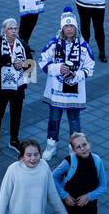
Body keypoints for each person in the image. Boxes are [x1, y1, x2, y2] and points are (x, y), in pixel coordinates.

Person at [40, 8, 96, 160]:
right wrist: (58, 68)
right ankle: (51, 146)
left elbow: (90, 67)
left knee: (74, 120)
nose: (69, 29)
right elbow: (42, 61)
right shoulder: (53, 43)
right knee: (54, 119)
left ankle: (75, 149)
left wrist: (76, 74)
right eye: (67, 26)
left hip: (74, 90)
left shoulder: (84, 46)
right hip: (56, 90)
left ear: (76, 28)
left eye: (72, 26)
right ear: (62, 28)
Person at [0, 17, 32, 157]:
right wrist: (10, 60)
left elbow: (31, 63)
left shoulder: (22, 44)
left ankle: (14, 140)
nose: (13, 31)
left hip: (18, 87)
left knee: (16, 114)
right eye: (10, 28)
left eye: (15, 28)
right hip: (1, 88)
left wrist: (23, 64)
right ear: (4, 31)